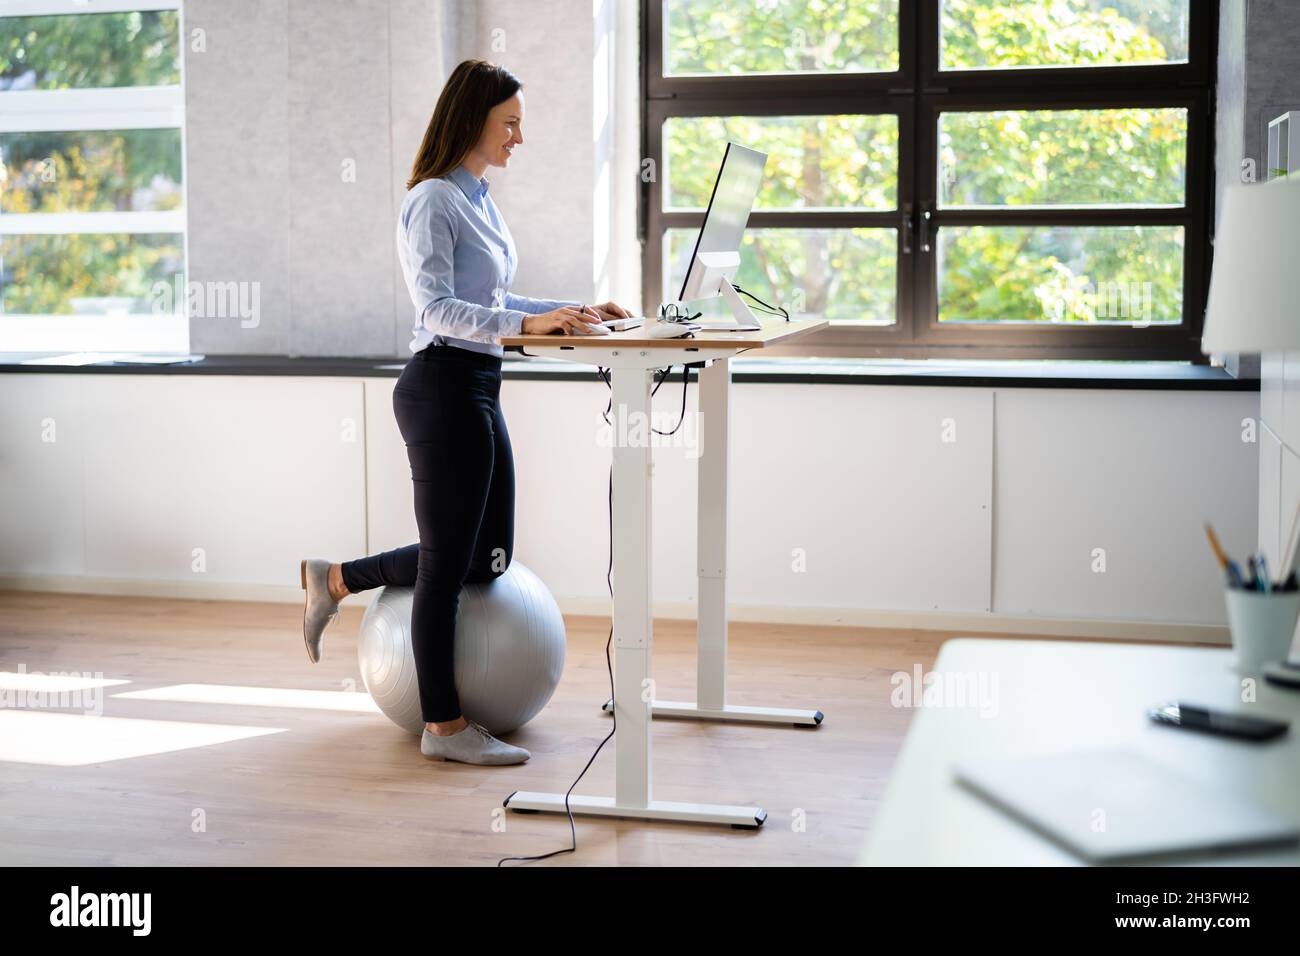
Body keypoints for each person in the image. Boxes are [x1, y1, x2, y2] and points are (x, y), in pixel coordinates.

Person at [299, 58, 633, 766]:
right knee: (449, 569)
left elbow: (497, 301)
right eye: (509, 122)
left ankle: (334, 579)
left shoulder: (478, 198)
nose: (519, 136)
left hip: (479, 383)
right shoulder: (431, 201)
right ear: (472, 119)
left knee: (486, 556)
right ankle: (443, 728)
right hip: (441, 386)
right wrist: (534, 328)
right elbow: (439, 310)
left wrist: (570, 310)